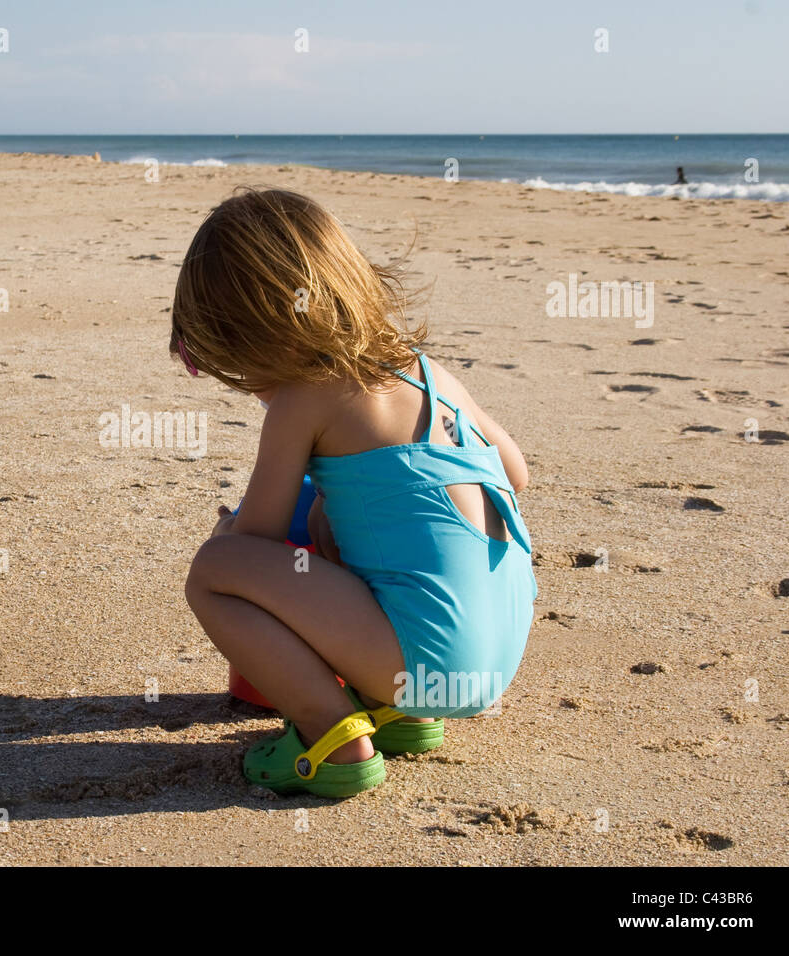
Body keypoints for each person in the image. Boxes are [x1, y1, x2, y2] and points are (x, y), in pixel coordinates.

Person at [172, 188, 536, 797]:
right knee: (336, 524)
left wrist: (225, 533)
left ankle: (334, 737)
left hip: (427, 656)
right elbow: (514, 472)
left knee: (215, 569)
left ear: (260, 333)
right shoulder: (423, 370)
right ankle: (400, 714)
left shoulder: (303, 397)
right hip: (494, 651)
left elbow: (257, 538)